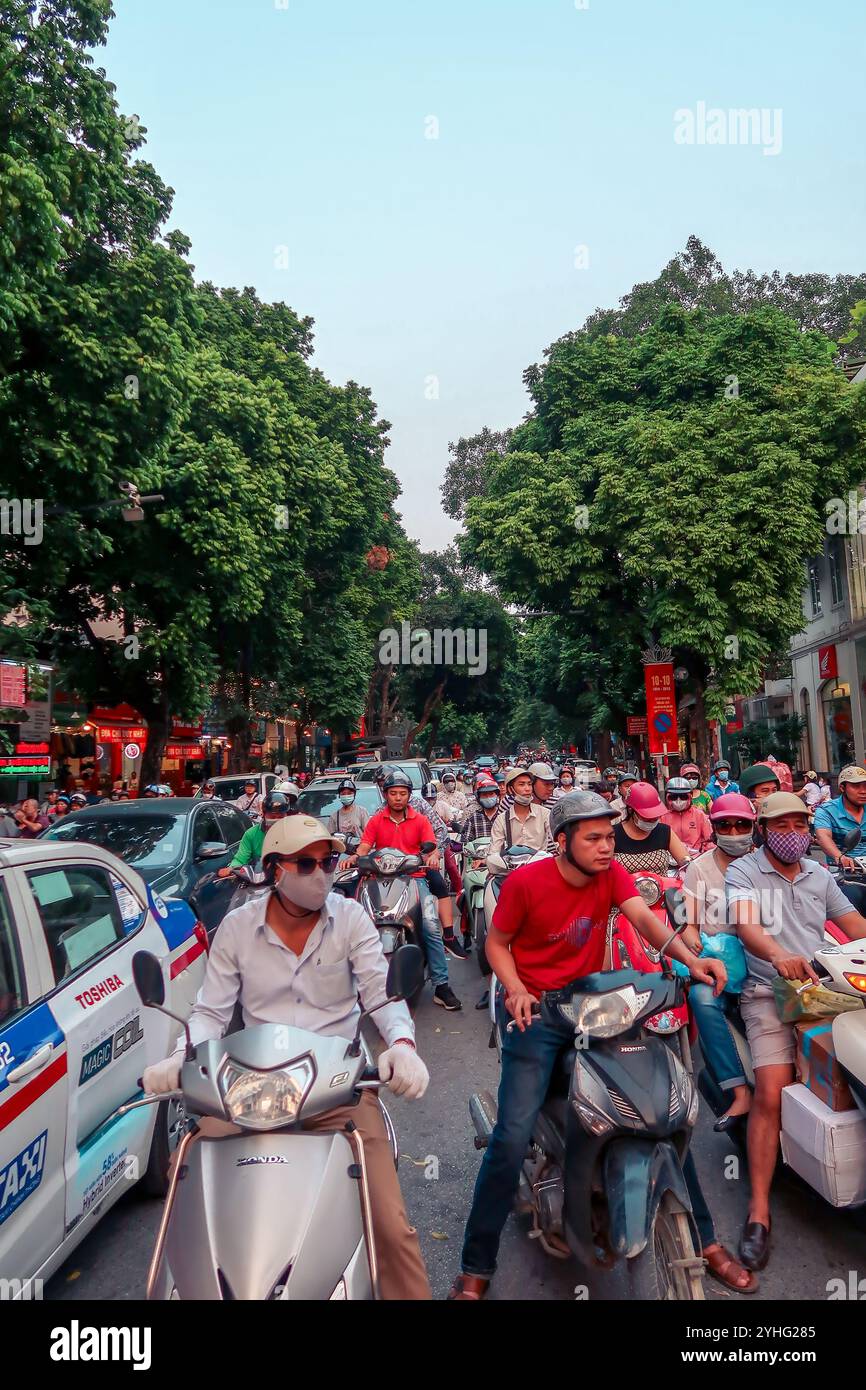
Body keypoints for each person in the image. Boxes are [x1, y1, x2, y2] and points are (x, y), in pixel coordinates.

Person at [448, 790, 729, 1301]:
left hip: (595, 1004)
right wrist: (515, 988)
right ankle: (476, 1266)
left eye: (608, 836)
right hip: (536, 1011)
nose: (606, 847)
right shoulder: (526, 883)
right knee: (510, 1139)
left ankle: (706, 1241)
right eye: (594, 838)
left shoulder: (610, 875)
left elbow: (646, 920)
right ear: (562, 841)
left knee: (658, 1112)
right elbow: (496, 943)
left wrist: (692, 961)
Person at [143, 812, 432, 1300]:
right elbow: (211, 1012)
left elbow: (381, 996)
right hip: (249, 1089)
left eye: (329, 861)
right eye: (306, 864)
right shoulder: (236, 928)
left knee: (388, 1222)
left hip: (337, 1088)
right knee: (185, 1188)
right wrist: (180, 1056)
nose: (322, 873)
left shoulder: (352, 917)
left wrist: (402, 1047)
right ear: (276, 870)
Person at [726, 791, 866, 1273]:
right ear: (763, 830)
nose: (793, 833)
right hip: (769, 994)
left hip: (827, 989)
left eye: (800, 824)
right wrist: (777, 956)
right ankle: (759, 1212)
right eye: (781, 825)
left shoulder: (819, 874)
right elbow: (746, 927)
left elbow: (852, 923)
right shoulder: (742, 872)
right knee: (770, 1090)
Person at [352, 770, 462, 1009]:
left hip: (415, 878)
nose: (398, 798)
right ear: (385, 795)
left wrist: (432, 856)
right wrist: (354, 857)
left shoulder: (420, 820)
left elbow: (431, 846)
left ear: (409, 796)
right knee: (359, 924)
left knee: (431, 926)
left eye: (402, 793)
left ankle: (441, 986)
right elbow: (365, 845)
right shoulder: (375, 820)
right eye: (393, 793)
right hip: (380, 879)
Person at [681, 793, 755, 1131]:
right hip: (720, 963)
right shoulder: (699, 868)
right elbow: (688, 926)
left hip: (763, 961)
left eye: (742, 824)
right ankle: (738, 1089)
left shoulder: (767, 863)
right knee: (702, 998)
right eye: (726, 824)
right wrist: (705, 955)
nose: (735, 830)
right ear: (715, 828)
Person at [612, 782, 690, 873]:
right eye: (647, 817)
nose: (653, 820)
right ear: (631, 810)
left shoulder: (664, 832)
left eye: (655, 817)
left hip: (663, 886)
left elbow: (685, 861)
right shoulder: (613, 835)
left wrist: (689, 864)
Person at [486, 768, 555, 872]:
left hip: (541, 870)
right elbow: (494, 851)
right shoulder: (502, 819)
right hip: (514, 873)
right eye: (521, 784)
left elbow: (558, 841)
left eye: (529, 784)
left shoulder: (545, 814)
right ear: (510, 789)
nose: (527, 789)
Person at [218, 790, 293, 877]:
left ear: (286, 816)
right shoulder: (251, 834)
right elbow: (240, 859)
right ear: (264, 815)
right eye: (272, 817)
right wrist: (231, 868)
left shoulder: (294, 832)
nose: (276, 820)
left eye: (280, 817)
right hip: (262, 880)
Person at [813, 763, 866, 872]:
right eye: (856, 786)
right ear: (842, 788)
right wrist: (840, 856)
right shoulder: (826, 810)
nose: (863, 791)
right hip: (845, 872)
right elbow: (823, 836)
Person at [661, 776, 714, 857]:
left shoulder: (699, 815)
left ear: (690, 797)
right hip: (670, 861)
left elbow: (710, 841)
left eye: (683, 797)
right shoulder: (663, 817)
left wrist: (703, 855)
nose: (678, 801)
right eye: (673, 797)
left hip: (695, 860)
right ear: (667, 797)